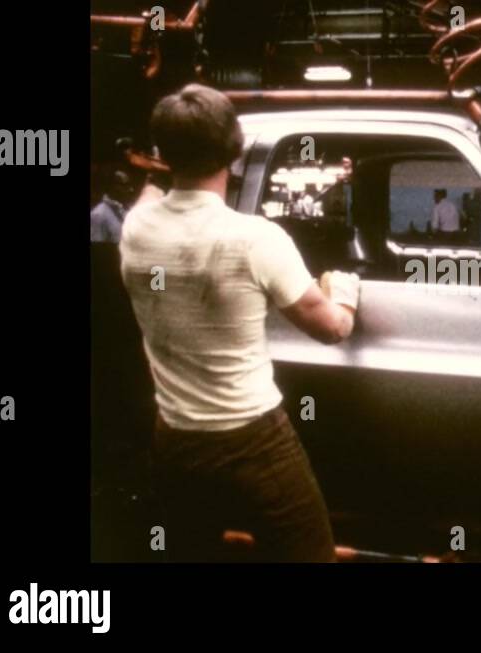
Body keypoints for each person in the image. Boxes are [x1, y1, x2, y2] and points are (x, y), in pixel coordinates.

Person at [119, 83, 361, 562]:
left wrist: (152, 166)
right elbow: (332, 329)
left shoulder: (136, 228)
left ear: (164, 154)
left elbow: (149, 197)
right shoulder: (255, 240)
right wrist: (346, 294)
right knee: (310, 555)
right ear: (234, 151)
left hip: (175, 440)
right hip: (253, 442)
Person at [90, 170, 134, 243]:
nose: (131, 189)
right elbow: (98, 250)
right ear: (112, 187)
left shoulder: (130, 209)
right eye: (125, 185)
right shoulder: (99, 214)